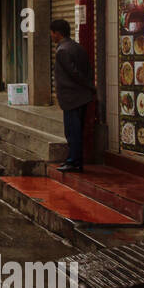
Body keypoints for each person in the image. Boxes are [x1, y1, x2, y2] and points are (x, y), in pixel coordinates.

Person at [51, 18, 95, 173]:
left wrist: (88, 86)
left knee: (72, 131)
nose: (52, 36)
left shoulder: (62, 50)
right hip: (81, 97)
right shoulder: (77, 47)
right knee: (76, 130)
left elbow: (74, 74)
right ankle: (76, 160)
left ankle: (73, 161)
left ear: (57, 33)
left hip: (72, 98)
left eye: (52, 33)